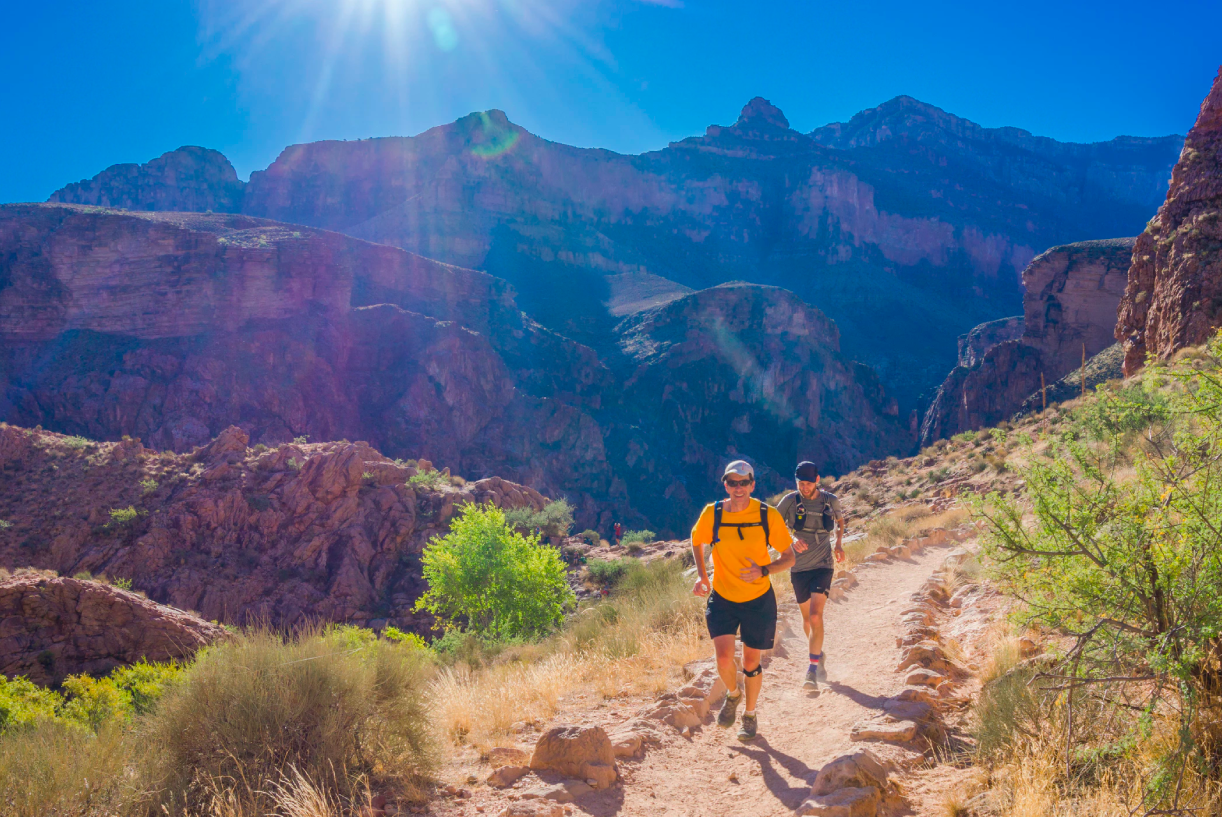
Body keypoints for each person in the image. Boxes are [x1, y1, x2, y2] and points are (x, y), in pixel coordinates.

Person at [691, 460, 795, 741]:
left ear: (752, 485)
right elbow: (696, 539)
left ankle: (749, 715)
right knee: (724, 658)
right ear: (725, 485)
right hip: (723, 597)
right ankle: (733, 694)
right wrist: (702, 575)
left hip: (757, 599)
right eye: (732, 482)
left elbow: (789, 557)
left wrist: (764, 570)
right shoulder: (712, 513)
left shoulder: (767, 515)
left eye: (744, 482)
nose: (738, 488)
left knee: (750, 662)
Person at [776, 461, 844, 693]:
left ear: (817, 480)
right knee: (807, 620)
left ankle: (812, 670)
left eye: (808, 483)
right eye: (800, 483)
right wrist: (792, 539)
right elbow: (774, 526)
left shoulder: (830, 501)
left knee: (815, 616)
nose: (804, 487)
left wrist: (839, 544)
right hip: (798, 567)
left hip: (823, 564)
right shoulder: (789, 501)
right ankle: (818, 654)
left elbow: (840, 521)